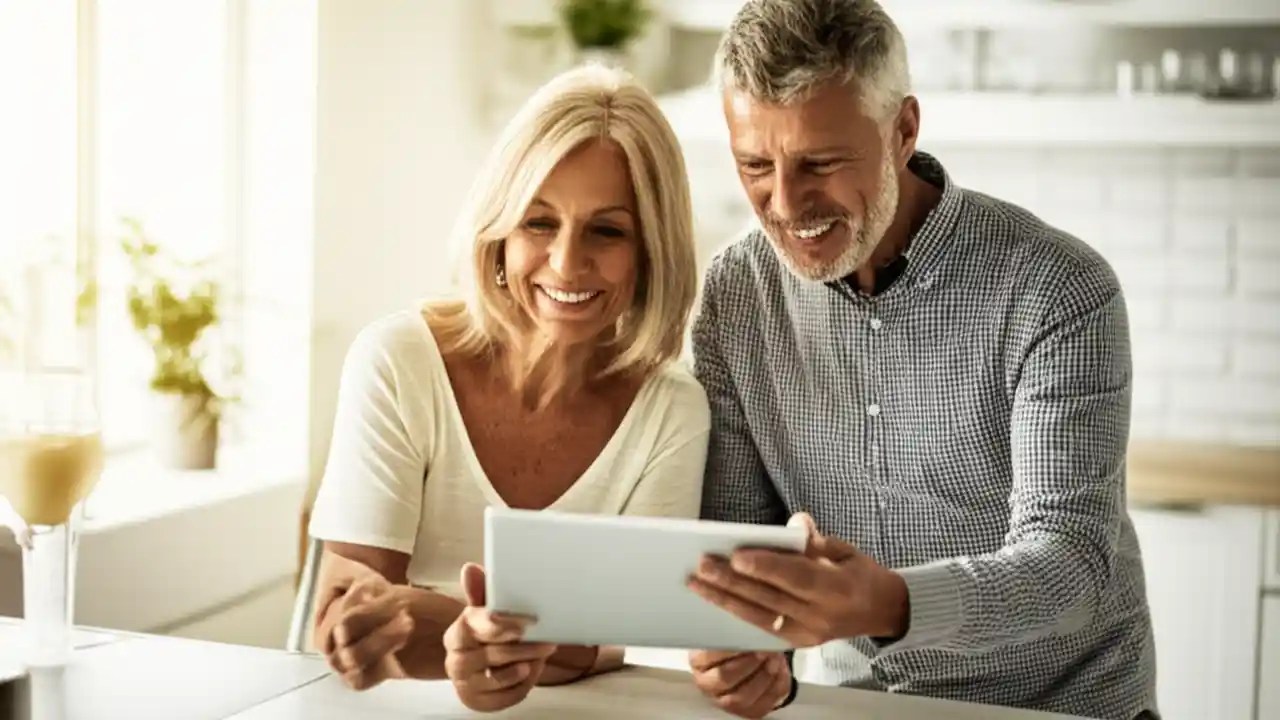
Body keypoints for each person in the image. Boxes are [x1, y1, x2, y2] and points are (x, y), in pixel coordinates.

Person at [682, 1, 1158, 719]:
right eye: (755, 165)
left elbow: (1072, 564)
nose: (784, 203)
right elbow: (741, 544)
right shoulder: (734, 298)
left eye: (820, 162)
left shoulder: (1056, 289)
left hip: (1056, 706)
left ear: (902, 130)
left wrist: (890, 603)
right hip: (859, 706)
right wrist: (749, 660)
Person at [305, 63, 710, 713]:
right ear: (498, 230)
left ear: (652, 251)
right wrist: (533, 632)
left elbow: (621, 633)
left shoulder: (671, 409)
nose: (567, 262)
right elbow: (350, 603)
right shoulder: (399, 360)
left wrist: (448, 625)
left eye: (606, 230)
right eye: (539, 222)